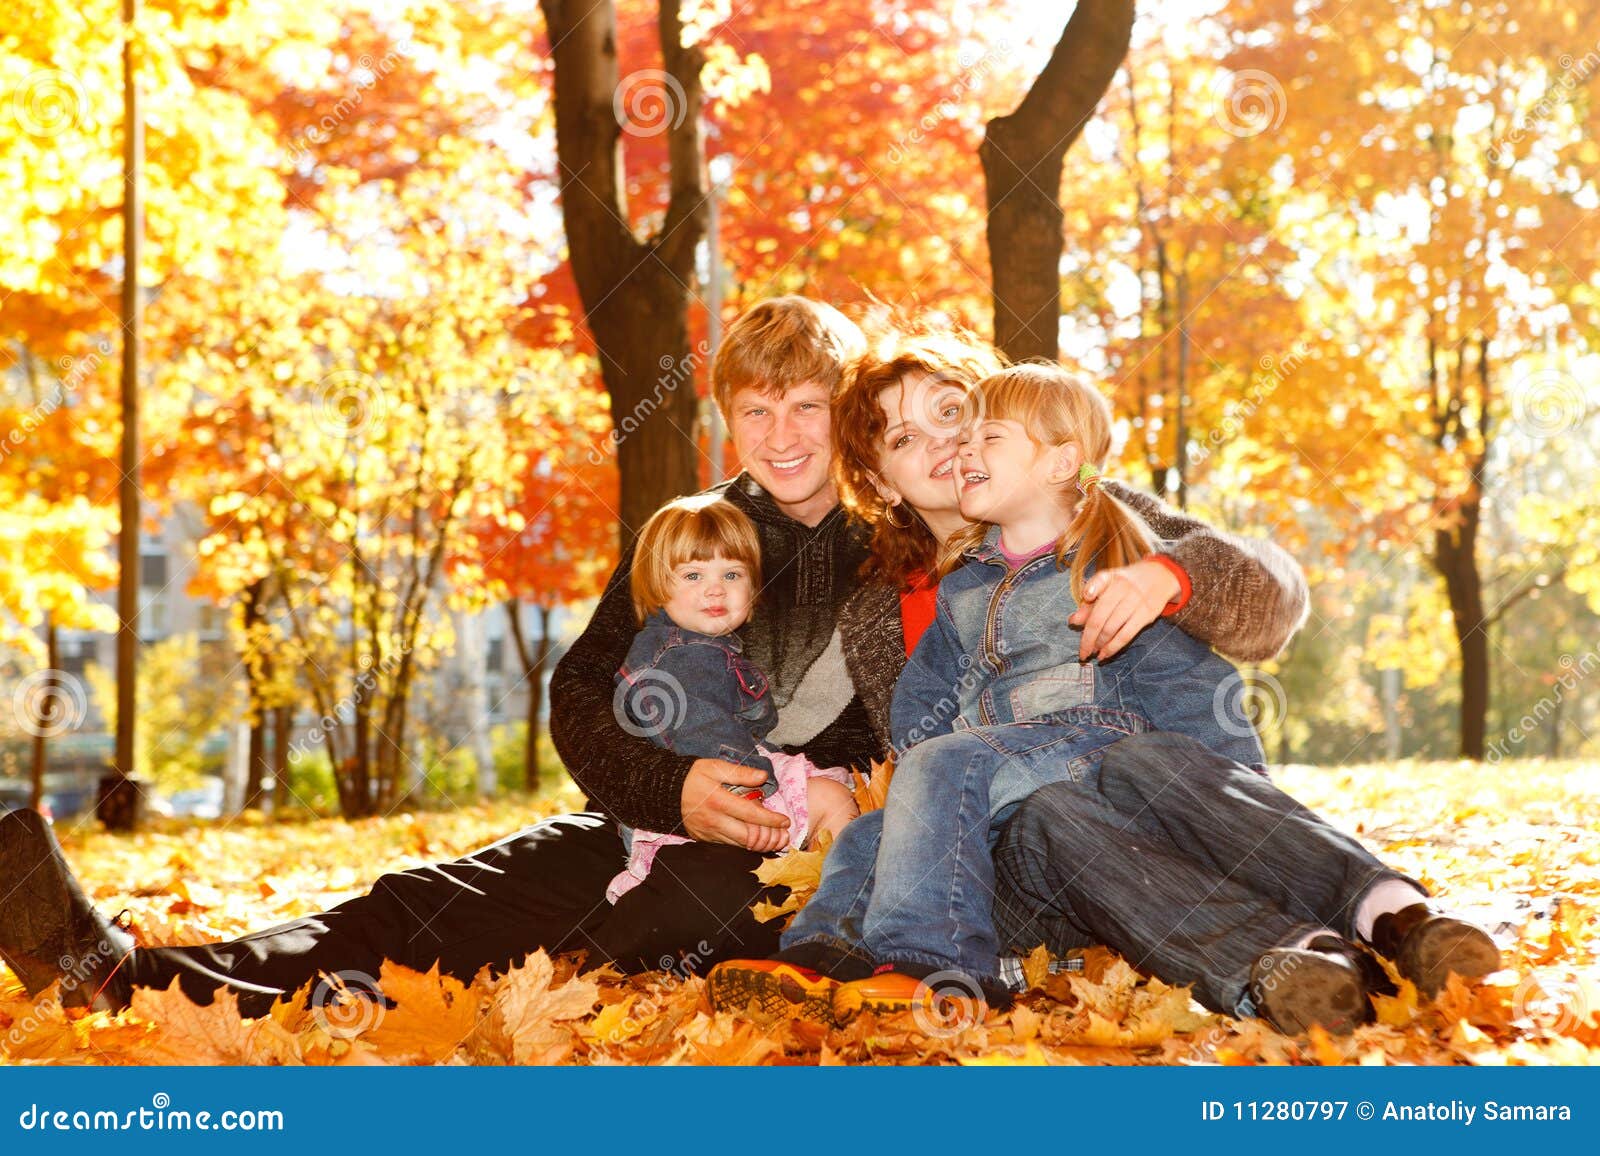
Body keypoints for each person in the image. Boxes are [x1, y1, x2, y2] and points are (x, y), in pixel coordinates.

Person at [0, 301, 1305, 1023]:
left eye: (814, 409)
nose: (786, 433)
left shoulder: (968, 525)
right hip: (664, 820)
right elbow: (579, 703)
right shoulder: (702, 534)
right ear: (727, 415)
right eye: (759, 408)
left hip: (827, 856)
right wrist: (665, 793)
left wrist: (1166, 578)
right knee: (428, 897)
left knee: (651, 928)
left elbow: (1239, 599)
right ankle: (127, 976)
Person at [710, 349, 1498, 1036]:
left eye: (958, 413)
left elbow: (1273, 597)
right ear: (881, 480)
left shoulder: (1105, 521)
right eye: (907, 436)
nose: (949, 443)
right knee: (954, 823)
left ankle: (1335, 942)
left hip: (1139, 789)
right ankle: (834, 960)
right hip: (998, 862)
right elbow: (839, 735)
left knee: (1124, 775)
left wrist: (1170, 575)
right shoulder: (880, 610)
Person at [606, 494, 857, 904]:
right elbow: (701, 731)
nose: (714, 590)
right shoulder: (684, 656)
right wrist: (745, 800)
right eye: (692, 576)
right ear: (656, 585)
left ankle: (815, 892)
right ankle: (837, 905)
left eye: (732, 574)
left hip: (716, 784)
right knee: (833, 803)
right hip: (723, 793)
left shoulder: (700, 646)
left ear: (753, 588)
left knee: (828, 798)